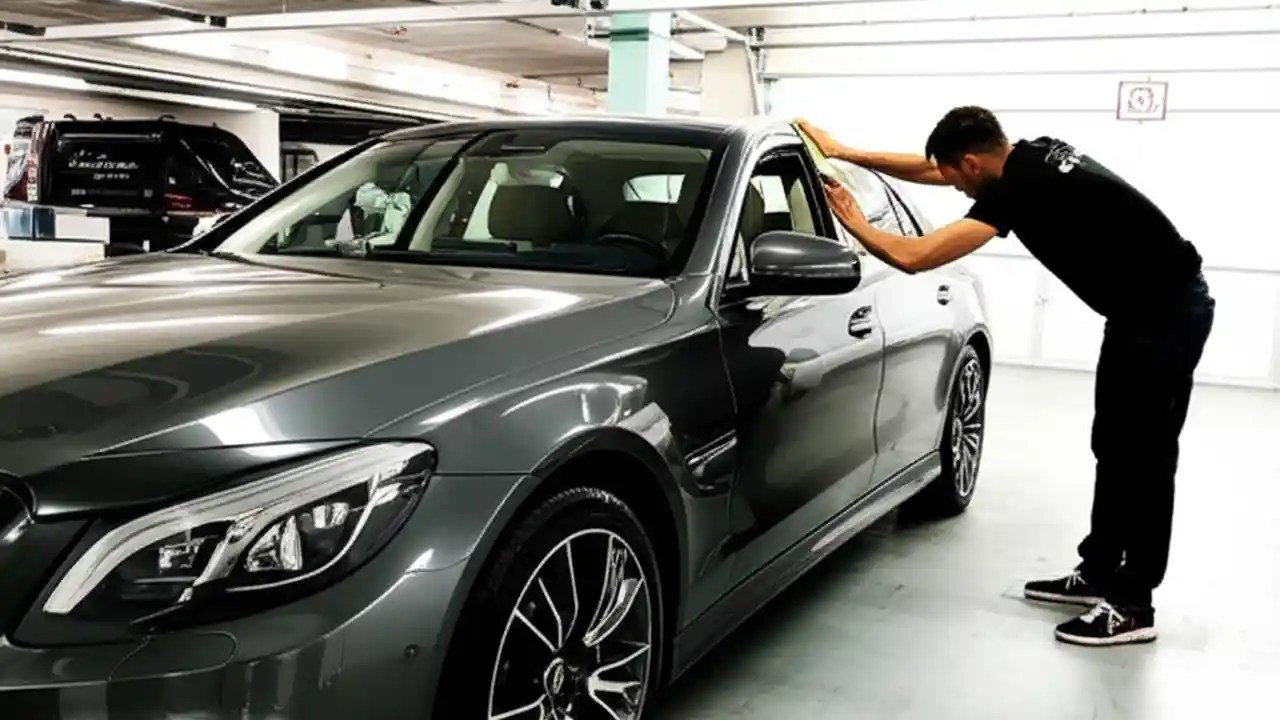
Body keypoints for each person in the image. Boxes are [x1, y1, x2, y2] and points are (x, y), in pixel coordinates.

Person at [796, 107, 1215, 647]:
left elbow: (915, 255)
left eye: (957, 180)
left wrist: (853, 219)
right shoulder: (1029, 154)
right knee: (1112, 443)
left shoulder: (1020, 191)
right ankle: (1100, 571)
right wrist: (848, 153)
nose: (958, 192)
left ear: (972, 162)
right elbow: (931, 169)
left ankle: (1133, 604)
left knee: (1146, 457)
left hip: (1169, 315)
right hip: (1141, 313)